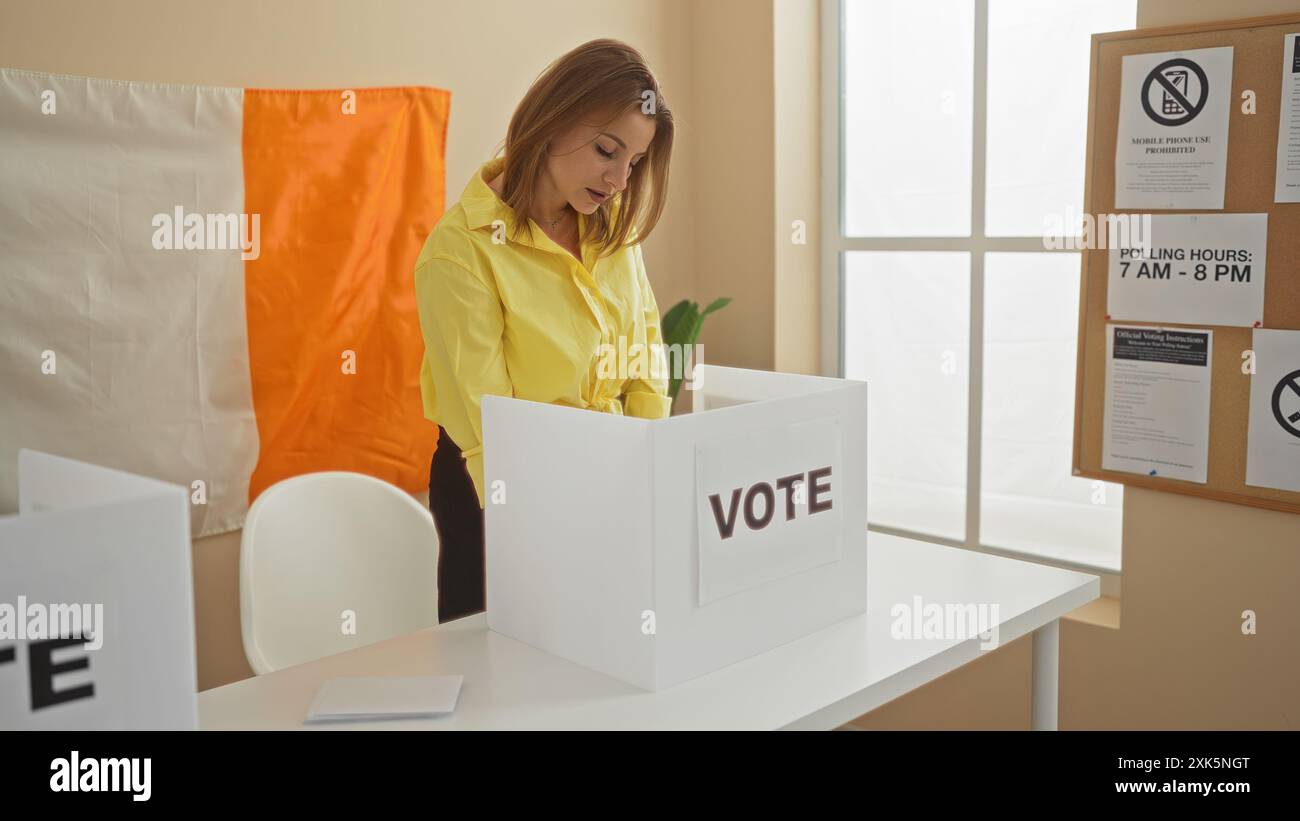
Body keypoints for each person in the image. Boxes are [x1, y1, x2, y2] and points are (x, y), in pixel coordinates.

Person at [413, 38, 676, 623]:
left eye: (631, 164)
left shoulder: (611, 232)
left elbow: (645, 359)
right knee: (507, 675)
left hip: (604, 473)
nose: (618, 180)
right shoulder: (459, 253)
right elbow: (486, 425)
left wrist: (646, 472)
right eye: (607, 150)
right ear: (552, 118)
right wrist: (535, 530)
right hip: (497, 487)